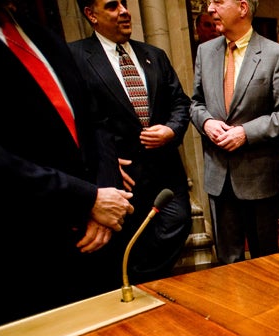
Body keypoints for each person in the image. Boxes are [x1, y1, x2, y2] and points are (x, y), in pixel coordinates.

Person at [0, 0, 135, 336]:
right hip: (15, 261)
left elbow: (96, 123)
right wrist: (85, 198)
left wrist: (104, 199)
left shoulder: (39, 35)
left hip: (96, 246)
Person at [71, 0, 193, 283]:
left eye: (124, 4)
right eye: (113, 6)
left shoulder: (154, 54)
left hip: (166, 175)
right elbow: (77, 119)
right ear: (91, 15)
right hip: (122, 180)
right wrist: (104, 161)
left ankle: (144, 285)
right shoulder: (75, 57)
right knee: (126, 247)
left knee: (176, 224)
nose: (124, 11)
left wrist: (171, 130)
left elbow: (180, 102)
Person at [190, 0, 279, 264]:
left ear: (243, 8)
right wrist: (206, 123)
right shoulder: (205, 52)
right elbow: (195, 103)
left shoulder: (275, 54)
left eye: (217, 1)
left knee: (266, 261)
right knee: (228, 261)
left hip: (258, 176)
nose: (209, 8)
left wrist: (245, 133)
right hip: (218, 175)